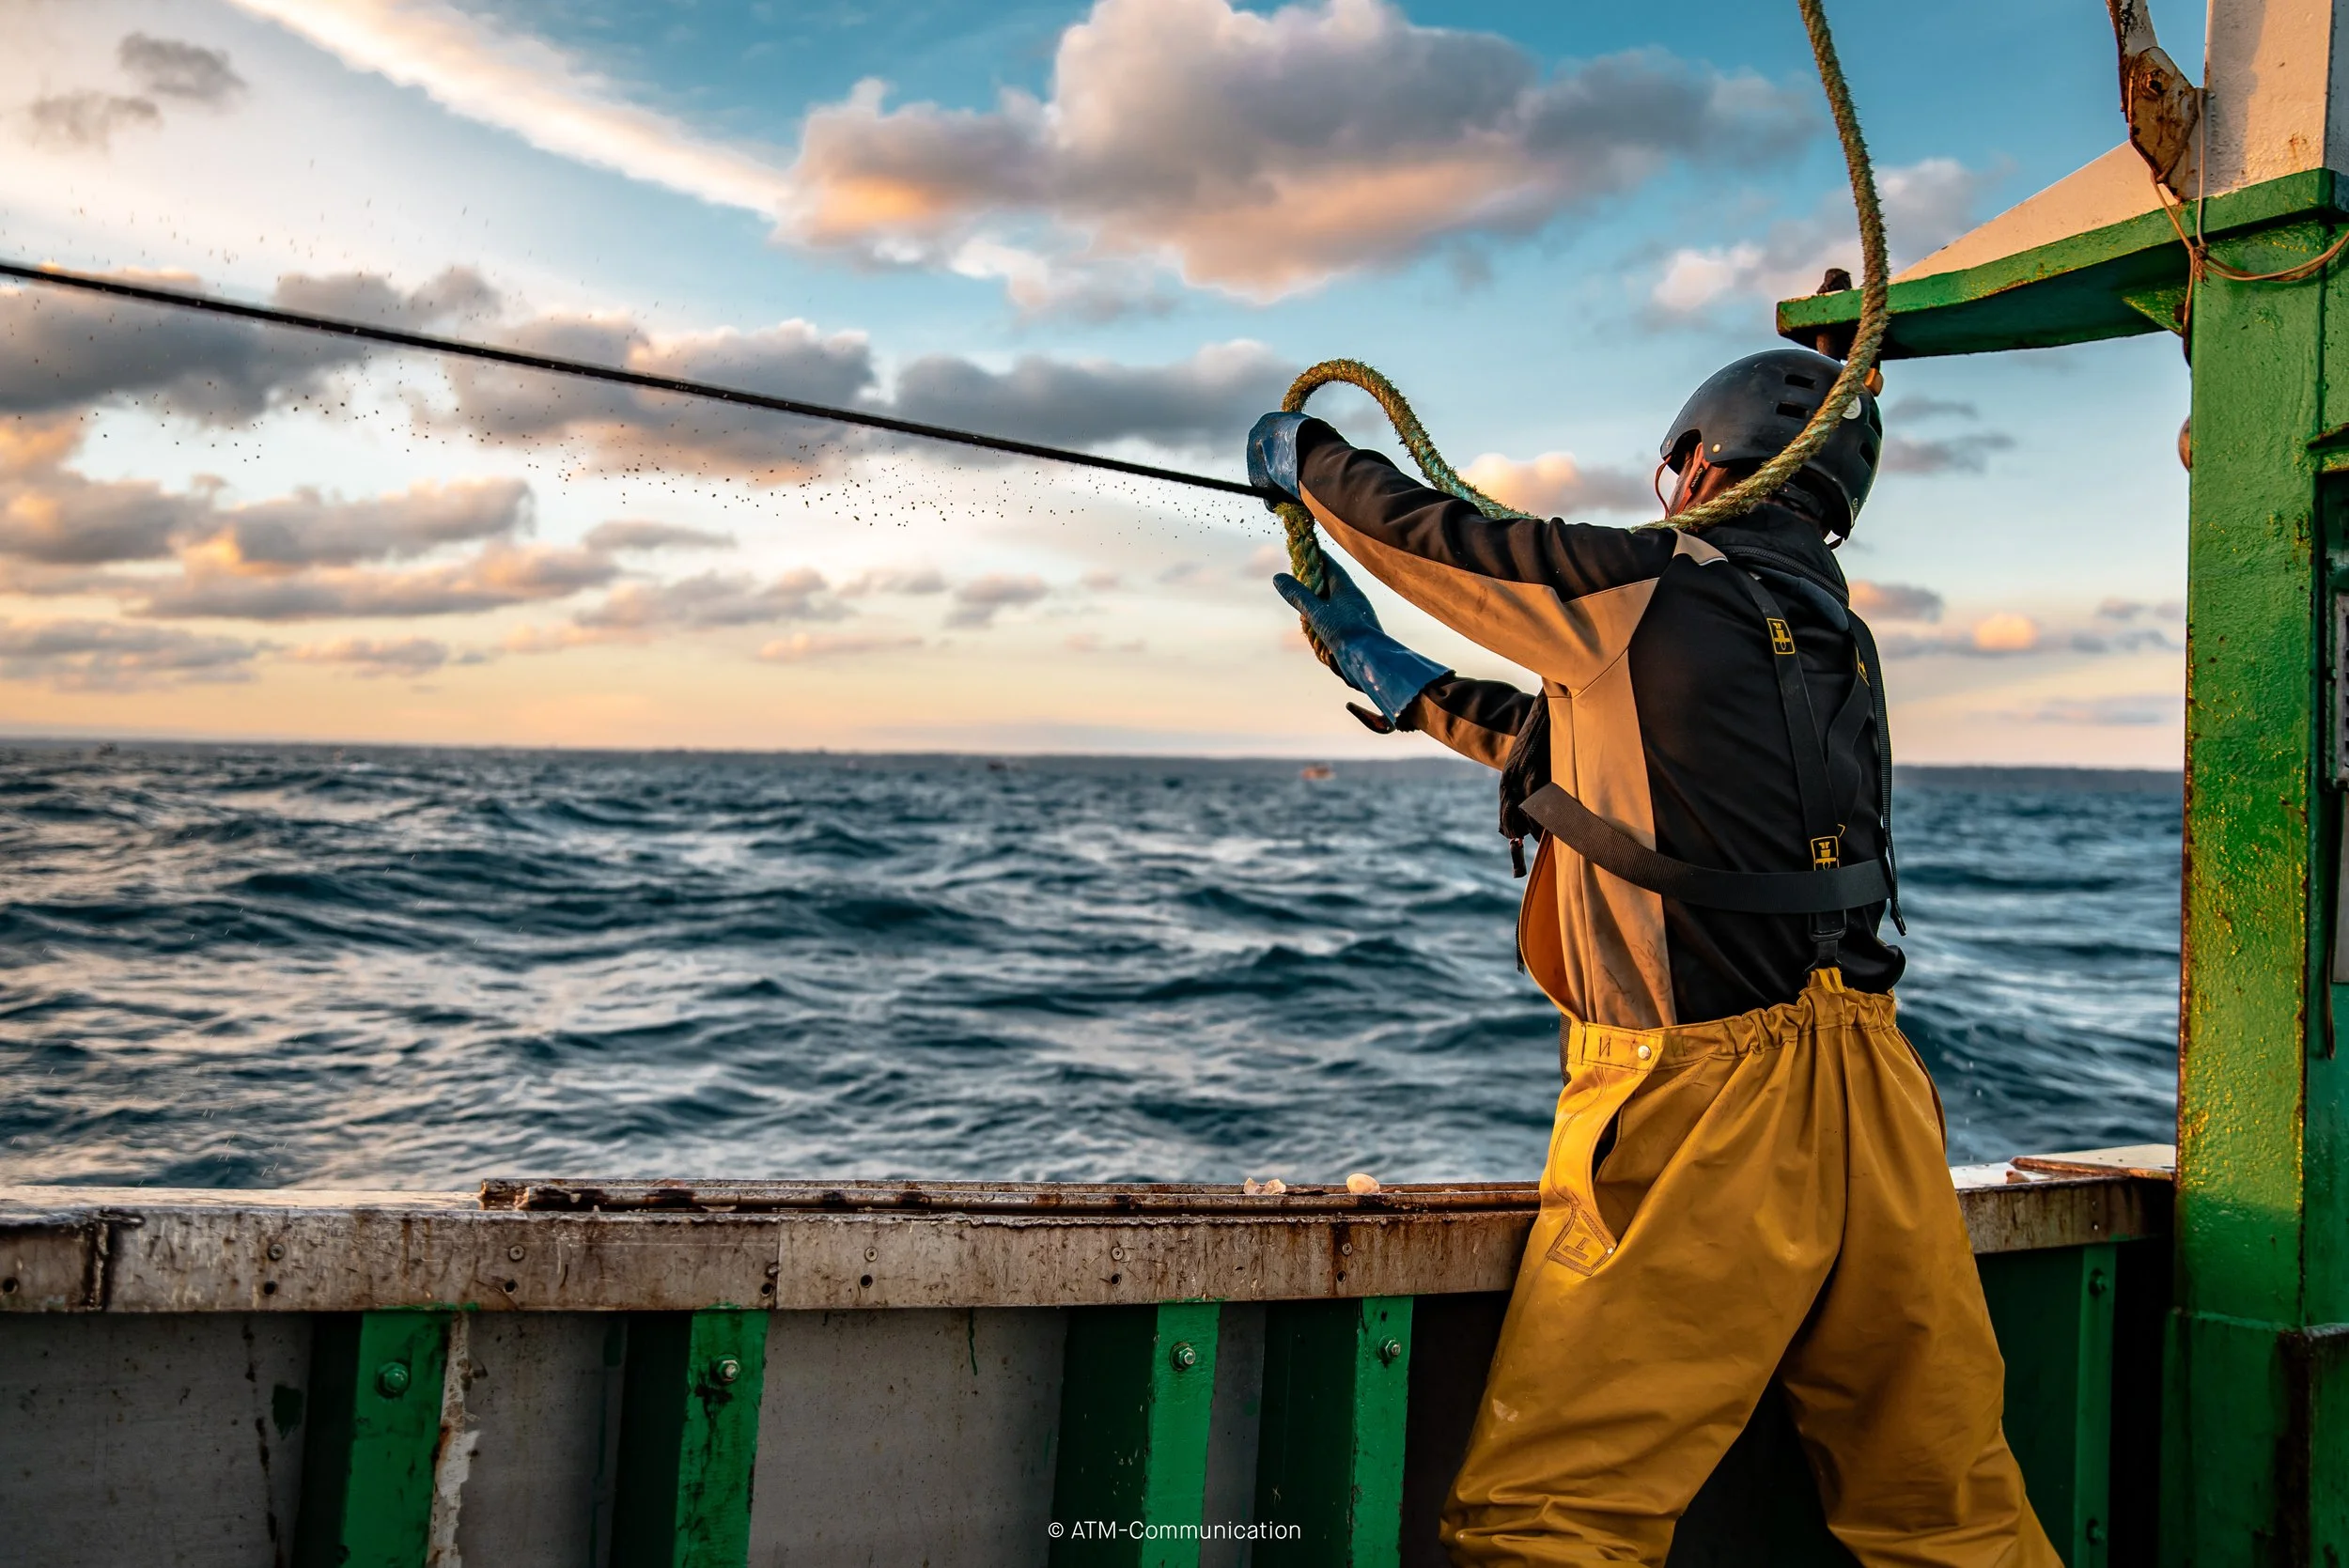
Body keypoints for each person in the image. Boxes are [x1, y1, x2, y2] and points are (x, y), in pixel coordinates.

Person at [1245, 348, 2057, 1567]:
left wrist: (1299, 458)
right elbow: (1595, 749)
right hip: (1879, 1107)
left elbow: (1430, 537)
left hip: (1702, 1108)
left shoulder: (1649, 579)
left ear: (1698, 463)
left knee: (1549, 1522)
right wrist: (1407, 690)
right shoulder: (1828, 630)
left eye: (1671, 467)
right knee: (1944, 1509)